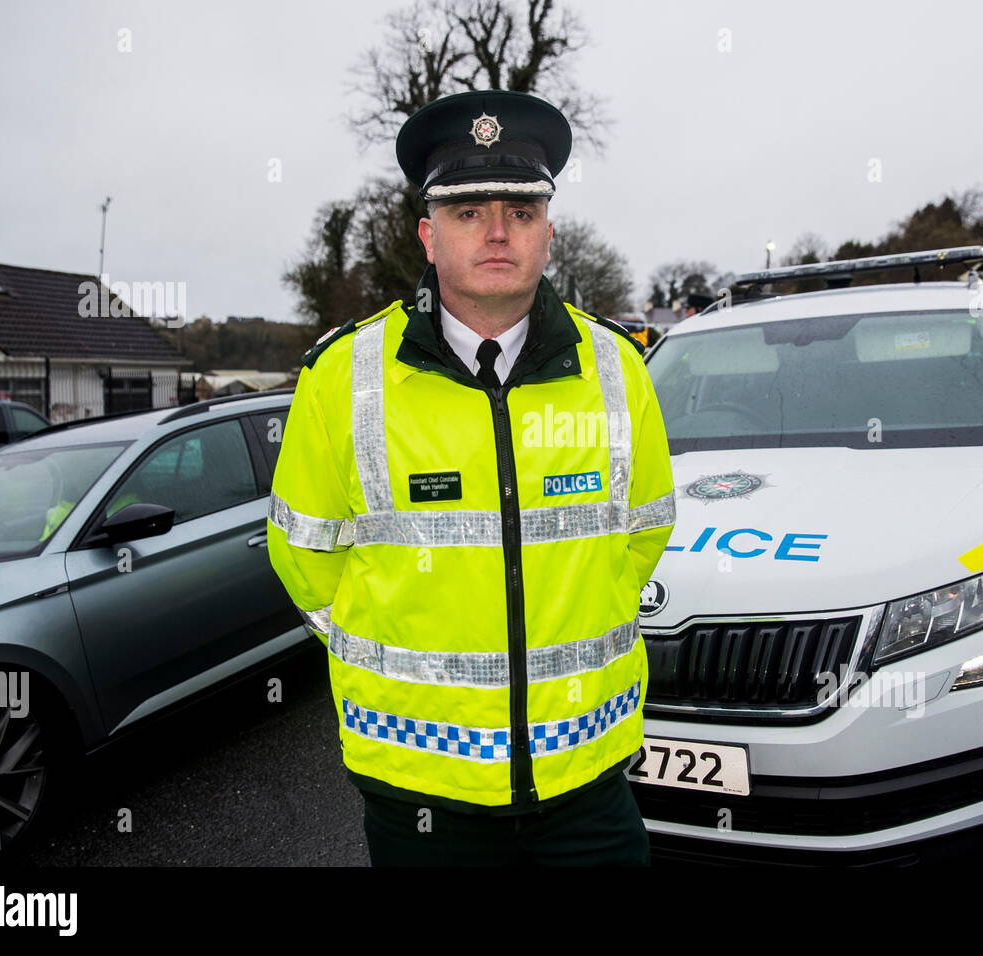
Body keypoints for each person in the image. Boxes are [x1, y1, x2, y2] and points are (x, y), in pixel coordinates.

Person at [266, 89, 677, 866]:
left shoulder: (617, 367)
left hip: (586, 780)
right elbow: (304, 556)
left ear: (548, 233)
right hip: (419, 791)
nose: (497, 231)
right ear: (428, 235)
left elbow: (645, 531)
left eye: (520, 211)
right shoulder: (342, 378)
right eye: (467, 212)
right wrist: (400, 661)